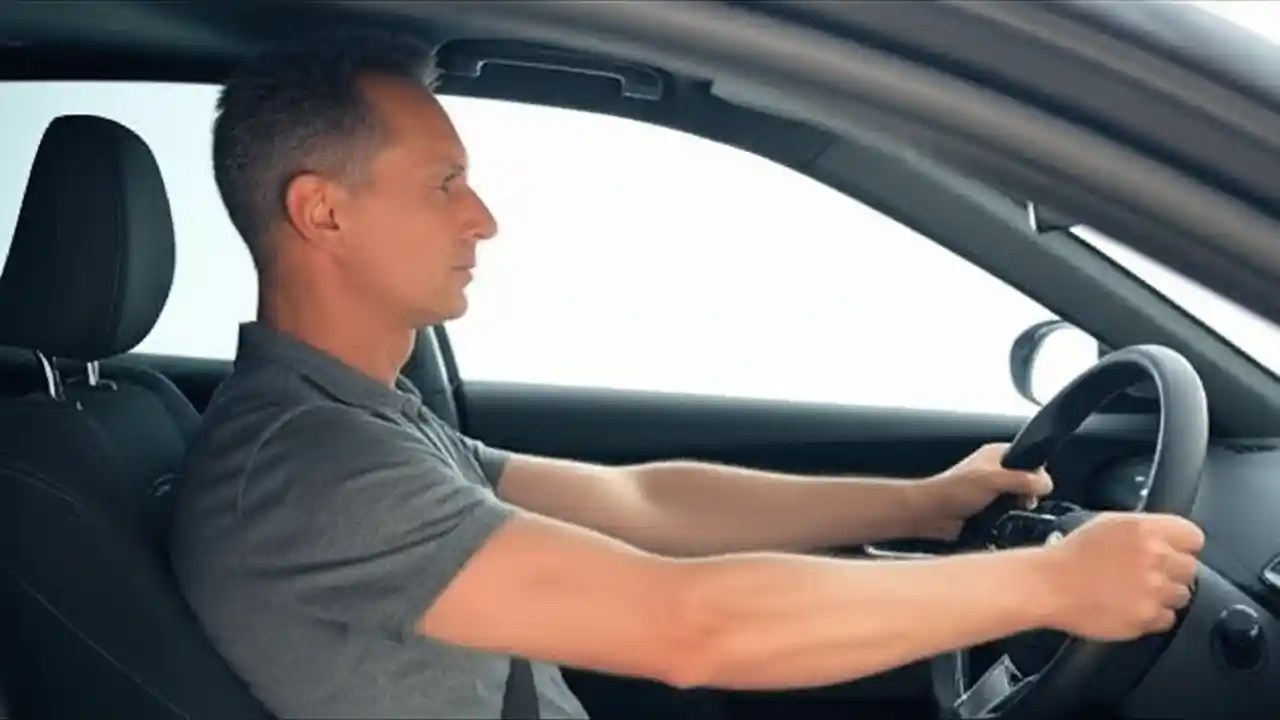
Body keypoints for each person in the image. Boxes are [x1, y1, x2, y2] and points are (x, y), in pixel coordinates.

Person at [169, 29, 1204, 719]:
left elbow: (635, 500)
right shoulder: (307, 471)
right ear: (323, 212)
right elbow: (685, 626)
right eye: (444, 185)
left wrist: (923, 503)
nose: (482, 219)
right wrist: (1047, 581)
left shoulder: (360, 420)